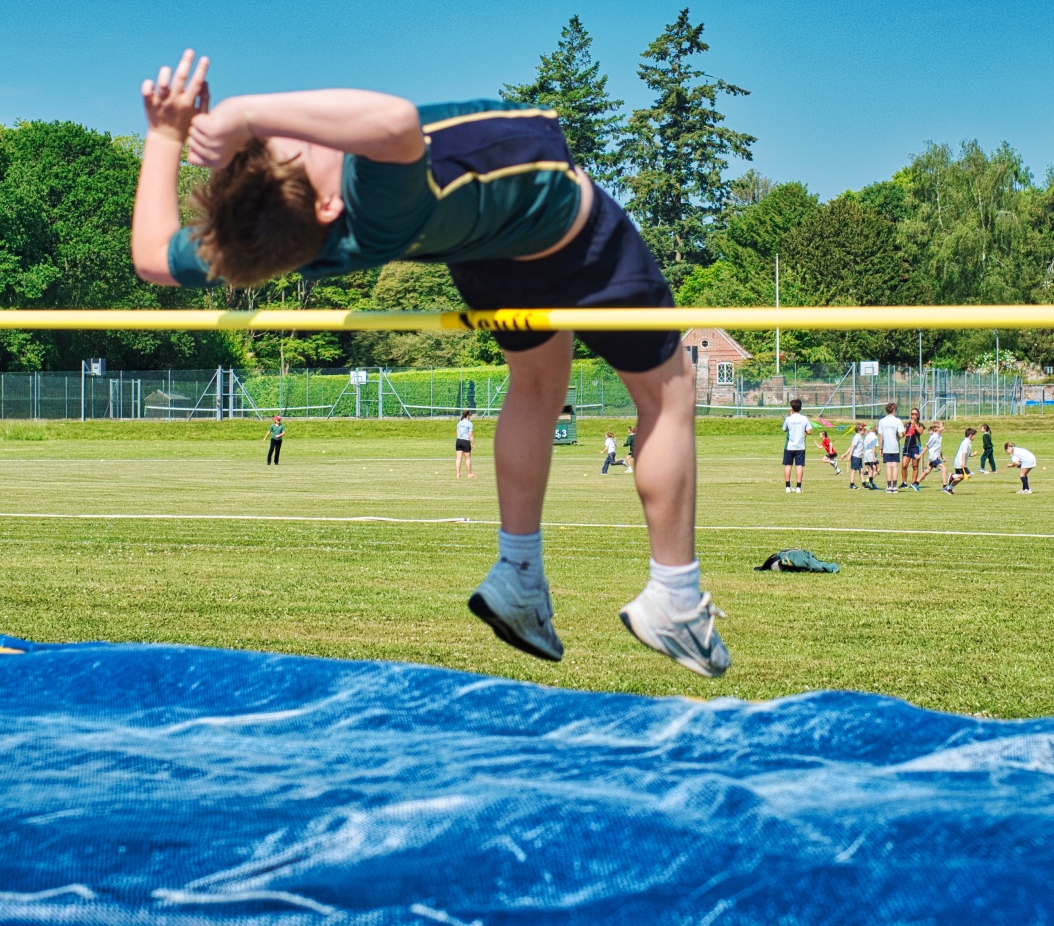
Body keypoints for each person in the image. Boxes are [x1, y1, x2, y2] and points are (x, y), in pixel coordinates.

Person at [131, 50, 727, 675]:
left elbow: (151, 257)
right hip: (570, 233)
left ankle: (520, 574)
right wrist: (244, 112)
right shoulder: (373, 197)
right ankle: (676, 597)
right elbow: (390, 120)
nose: (305, 129)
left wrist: (166, 133)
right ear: (329, 204)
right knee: (668, 393)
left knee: (536, 383)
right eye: (296, 146)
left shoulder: (304, 242)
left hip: (490, 252)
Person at [876, 403, 905, 493]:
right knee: (895, 466)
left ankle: (889, 487)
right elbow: (901, 434)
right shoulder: (898, 421)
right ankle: (895, 487)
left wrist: (880, 448)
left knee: (888, 467)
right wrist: (904, 432)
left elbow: (881, 436)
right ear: (894, 410)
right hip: (895, 446)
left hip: (886, 447)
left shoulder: (882, 421)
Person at [942, 428, 976, 494]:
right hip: (960, 462)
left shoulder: (967, 442)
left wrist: (973, 454)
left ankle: (949, 488)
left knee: (960, 478)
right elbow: (963, 453)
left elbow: (967, 454)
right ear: (971, 435)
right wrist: (963, 463)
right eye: (974, 435)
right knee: (968, 475)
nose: (974, 437)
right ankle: (952, 476)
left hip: (959, 462)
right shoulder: (966, 442)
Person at [900, 409, 924, 490]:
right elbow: (903, 433)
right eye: (912, 414)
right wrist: (900, 434)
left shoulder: (920, 424)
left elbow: (920, 432)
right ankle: (904, 482)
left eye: (915, 414)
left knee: (915, 466)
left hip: (916, 447)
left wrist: (915, 425)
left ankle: (913, 483)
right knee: (904, 465)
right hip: (907, 447)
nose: (913, 415)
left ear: (918, 415)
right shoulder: (907, 425)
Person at [456, 409, 477, 479]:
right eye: (470, 416)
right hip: (465, 441)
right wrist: (473, 443)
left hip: (458, 440)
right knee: (467, 458)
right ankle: (469, 474)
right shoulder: (469, 423)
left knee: (458, 458)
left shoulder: (459, 423)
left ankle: (458, 474)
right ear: (468, 416)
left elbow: (457, 433)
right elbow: (470, 435)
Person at [924, 421, 946, 488]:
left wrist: (942, 456)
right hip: (933, 457)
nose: (943, 427)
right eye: (942, 426)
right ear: (937, 428)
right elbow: (927, 446)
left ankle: (916, 483)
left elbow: (939, 448)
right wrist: (920, 455)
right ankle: (944, 486)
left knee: (928, 470)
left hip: (935, 457)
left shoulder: (939, 437)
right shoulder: (934, 437)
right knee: (944, 468)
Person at [847, 421, 867, 489]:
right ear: (859, 430)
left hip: (859, 456)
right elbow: (852, 446)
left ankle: (863, 483)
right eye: (863, 430)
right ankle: (852, 484)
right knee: (854, 470)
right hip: (855, 456)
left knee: (861, 470)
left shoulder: (860, 437)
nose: (864, 431)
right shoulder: (857, 437)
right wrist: (849, 455)